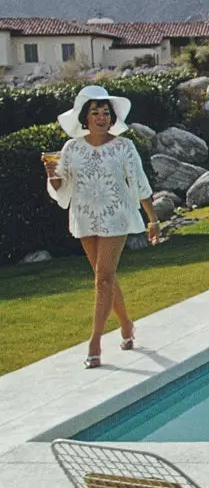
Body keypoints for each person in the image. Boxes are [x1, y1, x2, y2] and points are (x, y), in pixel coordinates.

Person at [43, 85, 160, 369]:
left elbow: (140, 184)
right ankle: (126, 324)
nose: (101, 117)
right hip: (84, 217)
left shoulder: (124, 147)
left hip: (116, 216)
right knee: (104, 277)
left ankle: (95, 341)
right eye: (95, 112)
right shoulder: (71, 148)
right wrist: (52, 176)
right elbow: (63, 189)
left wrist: (153, 219)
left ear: (112, 117)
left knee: (103, 278)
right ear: (85, 117)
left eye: (105, 112)